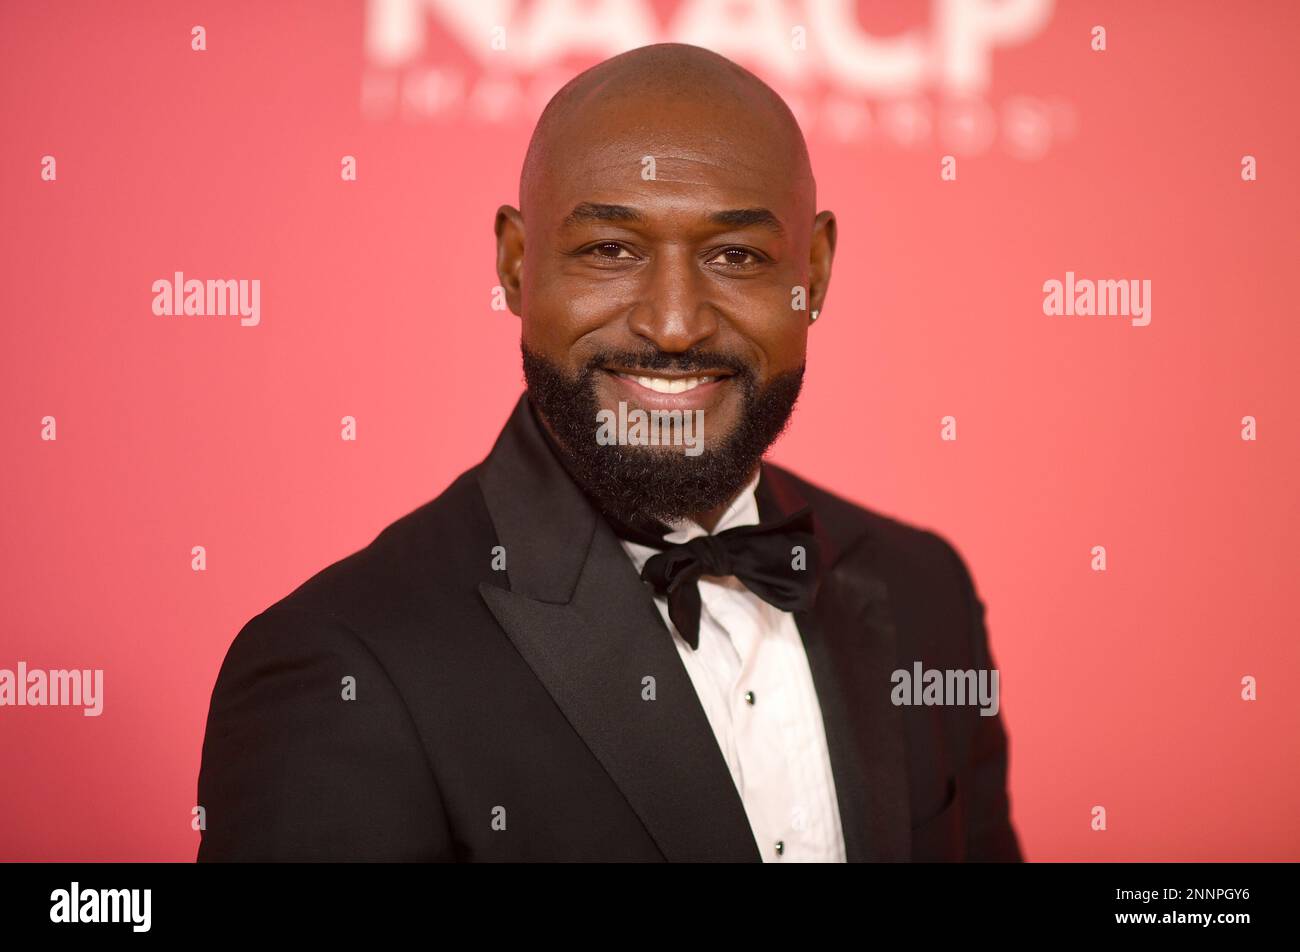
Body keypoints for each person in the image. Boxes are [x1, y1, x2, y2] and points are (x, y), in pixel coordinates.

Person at [196, 42, 1021, 863]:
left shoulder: (924, 593)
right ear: (516, 266)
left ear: (816, 271)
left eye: (736, 256)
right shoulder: (339, 664)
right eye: (610, 251)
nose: (673, 324)